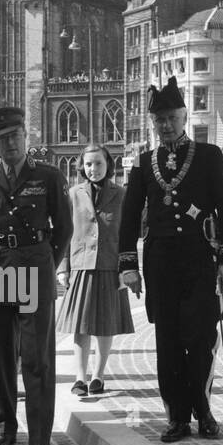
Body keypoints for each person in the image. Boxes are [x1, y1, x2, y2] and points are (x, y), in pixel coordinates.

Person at [119, 76, 223, 443]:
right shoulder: (143, 164)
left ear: (184, 117)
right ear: (153, 124)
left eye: (171, 118)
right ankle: (176, 416)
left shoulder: (209, 156)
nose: (166, 125)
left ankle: (203, 410)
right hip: (160, 264)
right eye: (160, 120)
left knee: (200, 338)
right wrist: (129, 267)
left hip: (199, 261)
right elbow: (129, 215)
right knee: (168, 342)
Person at [0, 106, 72, 445]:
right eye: (1, 139)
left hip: (35, 268)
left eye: (15, 136)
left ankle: (40, 439)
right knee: (2, 353)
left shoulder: (49, 176)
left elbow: (64, 229)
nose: (9, 143)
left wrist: (46, 263)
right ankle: (5, 426)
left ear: (26, 136)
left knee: (37, 357)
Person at [57, 143, 133, 395]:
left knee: (105, 324)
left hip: (110, 267)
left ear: (108, 164)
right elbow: (65, 234)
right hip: (81, 267)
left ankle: (98, 376)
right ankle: (80, 377)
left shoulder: (121, 194)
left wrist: (126, 268)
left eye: (98, 163)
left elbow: (127, 236)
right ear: (82, 166)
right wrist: (63, 267)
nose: (93, 169)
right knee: (81, 326)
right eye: (88, 164)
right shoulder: (73, 194)